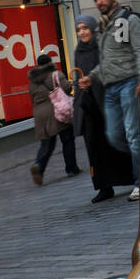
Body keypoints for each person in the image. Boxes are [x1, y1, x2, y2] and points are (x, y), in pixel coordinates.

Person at [77, 0, 140, 201]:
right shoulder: (104, 26)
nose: (99, 2)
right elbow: (108, 61)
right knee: (114, 136)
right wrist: (91, 77)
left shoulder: (128, 20)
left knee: (132, 135)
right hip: (110, 88)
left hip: (128, 83)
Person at [72, 13, 128, 203]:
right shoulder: (78, 51)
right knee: (93, 146)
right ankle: (104, 186)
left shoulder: (102, 45)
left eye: (85, 28)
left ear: (93, 28)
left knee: (115, 139)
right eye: (79, 29)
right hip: (88, 104)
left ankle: (132, 178)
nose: (82, 32)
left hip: (106, 99)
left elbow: (109, 69)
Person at [28, 52, 80, 185]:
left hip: (40, 115)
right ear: (50, 62)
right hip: (58, 111)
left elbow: (32, 98)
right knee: (67, 139)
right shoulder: (55, 74)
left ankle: (38, 166)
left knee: (46, 144)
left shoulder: (32, 81)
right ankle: (71, 168)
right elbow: (67, 88)